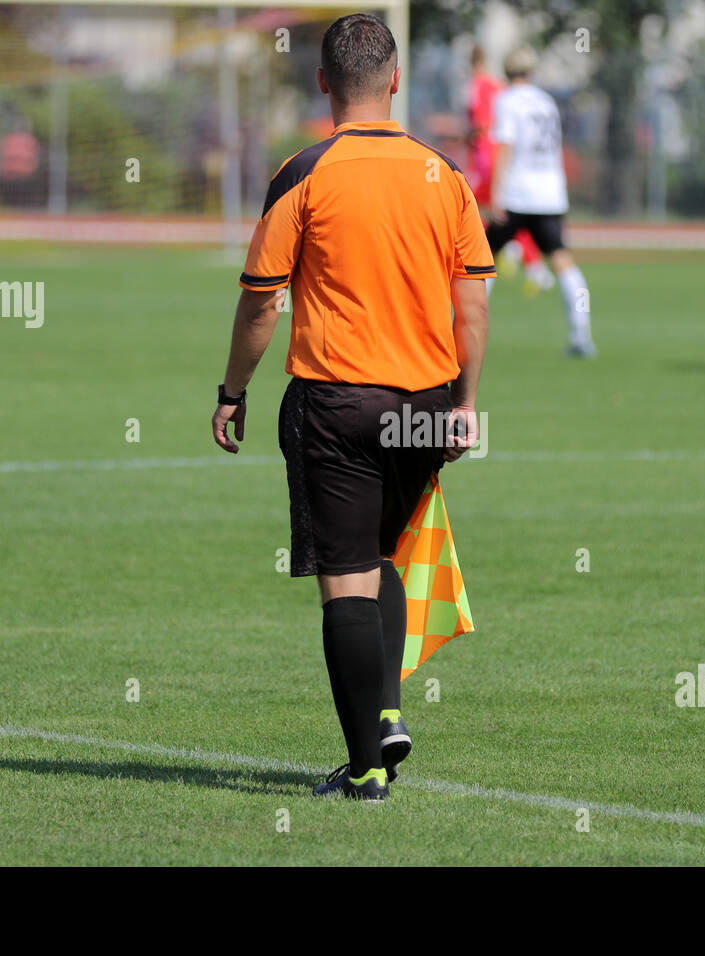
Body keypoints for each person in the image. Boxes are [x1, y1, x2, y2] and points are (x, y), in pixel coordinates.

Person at [210, 13, 494, 801]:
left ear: (324, 82)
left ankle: (367, 768)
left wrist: (232, 391)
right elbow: (470, 309)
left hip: (336, 402)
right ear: (396, 81)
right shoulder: (446, 175)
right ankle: (389, 714)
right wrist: (465, 405)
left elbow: (262, 306)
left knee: (345, 579)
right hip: (425, 407)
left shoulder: (304, 172)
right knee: (385, 553)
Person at [485, 46, 596, 358]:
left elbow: (505, 146)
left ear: (506, 72)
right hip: (550, 194)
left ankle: (463, 331)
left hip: (519, 192)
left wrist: (497, 192)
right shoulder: (546, 101)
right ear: (531, 72)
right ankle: (581, 335)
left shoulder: (506, 100)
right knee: (562, 261)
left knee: (482, 259)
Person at [466, 45, 553, 295]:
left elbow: (484, 124)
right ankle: (529, 262)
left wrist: (469, 134)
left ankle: (509, 254)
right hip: (493, 156)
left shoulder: (479, 87)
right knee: (505, 216)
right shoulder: (496, 86)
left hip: (486, 156)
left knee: (468, 204)